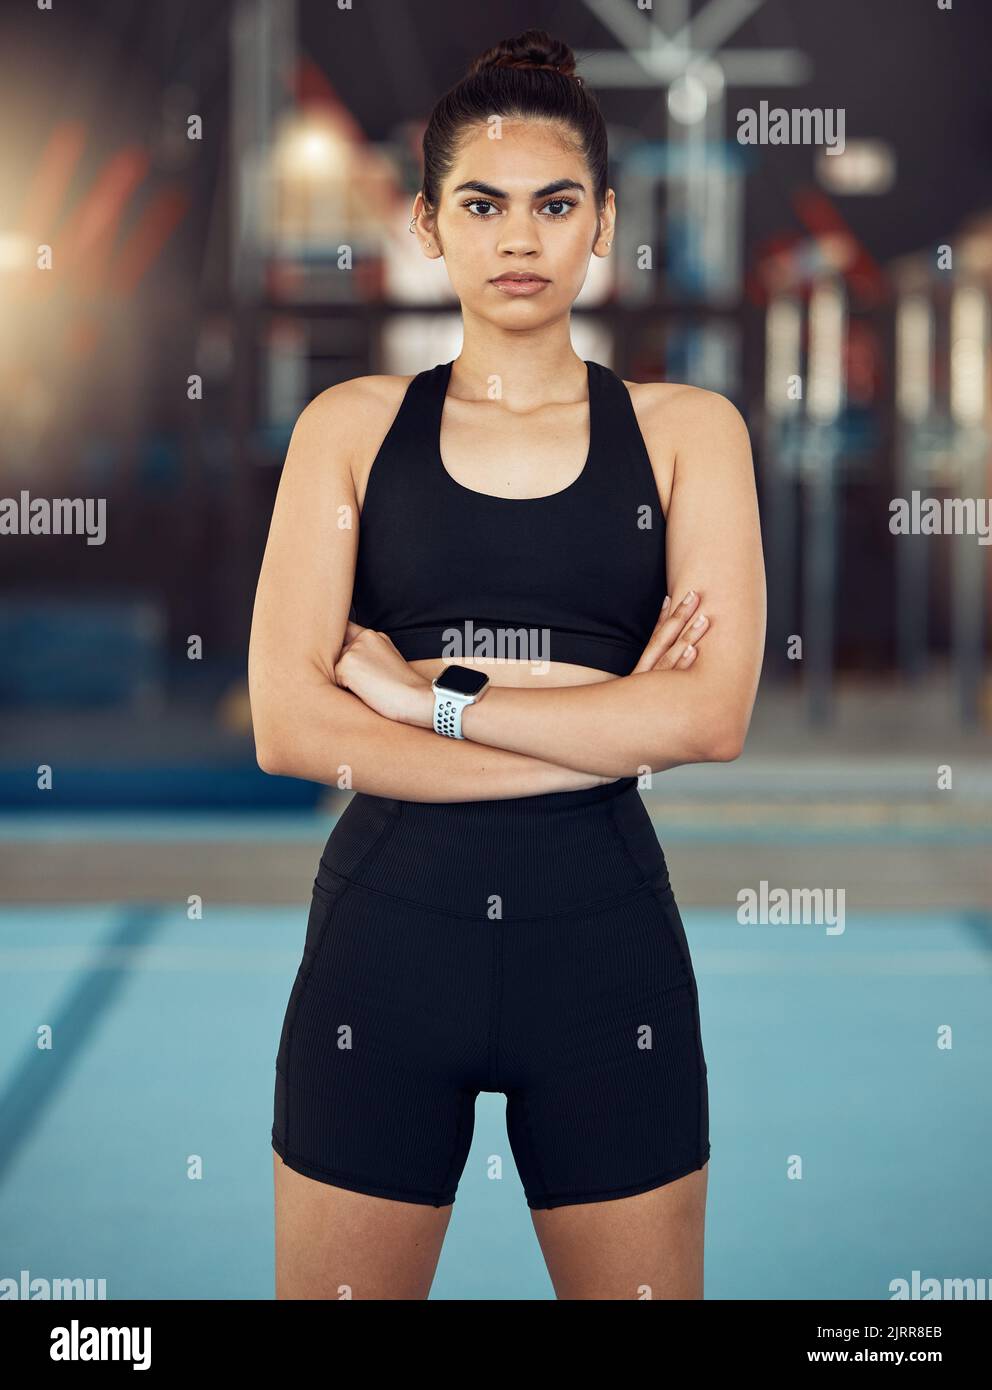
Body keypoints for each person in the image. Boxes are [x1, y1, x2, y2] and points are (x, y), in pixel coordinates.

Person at [248, 26, 766, 1300]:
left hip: (605, 966)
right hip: (386, 950)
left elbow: (706, 719)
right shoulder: (351, 430)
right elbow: (285, 728)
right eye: (480, 205)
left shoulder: (690, 433)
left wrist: (425, 700)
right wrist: (603, 716)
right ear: (427, 224)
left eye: (553, 205)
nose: (518, 240)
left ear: (602, 222)